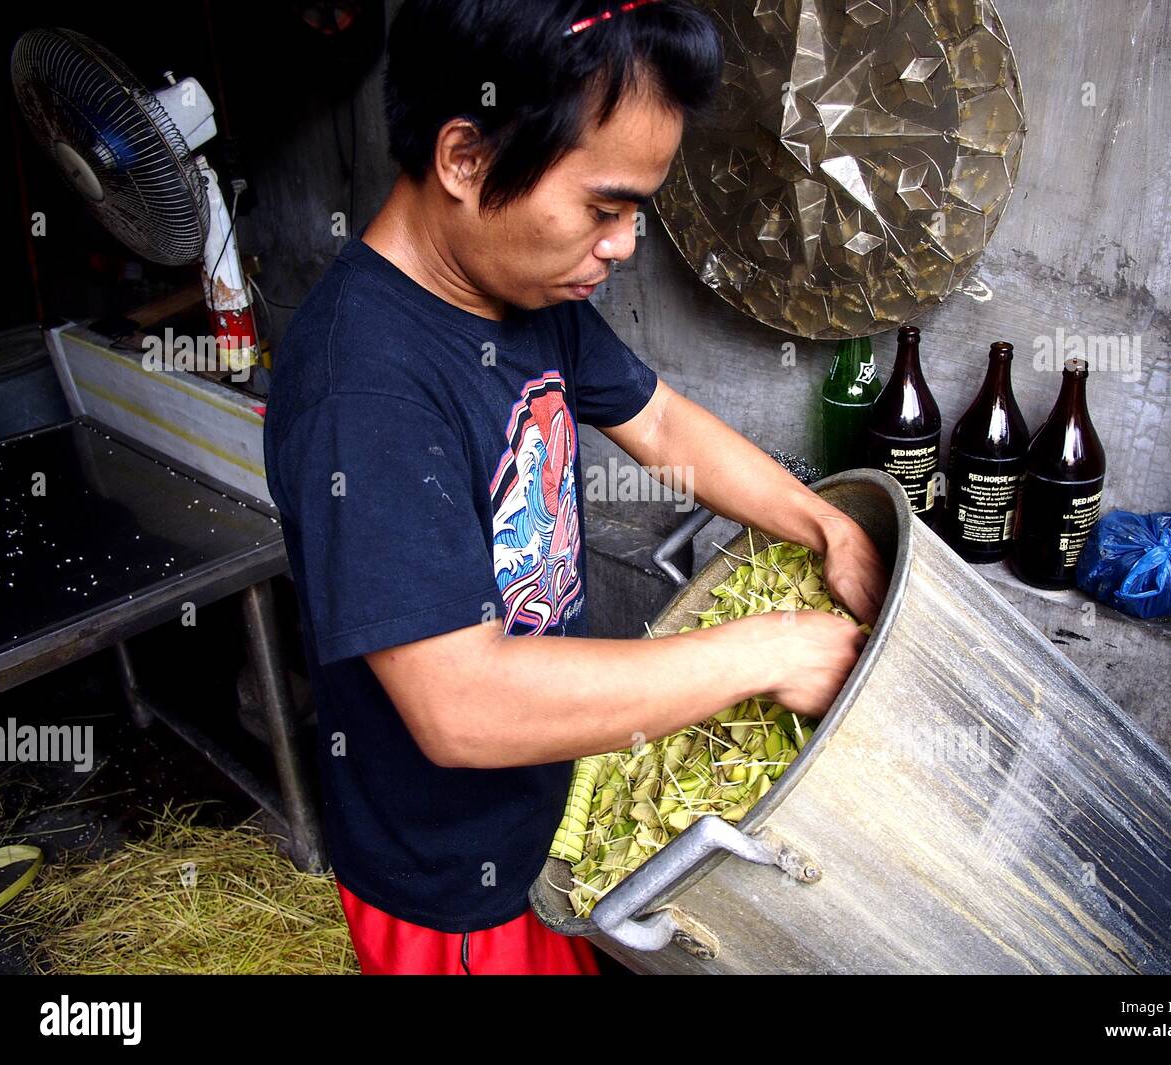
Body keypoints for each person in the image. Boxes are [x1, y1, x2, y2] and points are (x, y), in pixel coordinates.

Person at [262, 0, 888, 976]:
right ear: (466, 159)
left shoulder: (519, 291)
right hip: (450, 885)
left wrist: (824, 526)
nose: (624, 245)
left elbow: (662, 423)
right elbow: (460, 704)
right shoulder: (364, 389)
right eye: (604, 207)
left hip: (547, 811)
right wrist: (763, 652)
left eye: (638, 209)